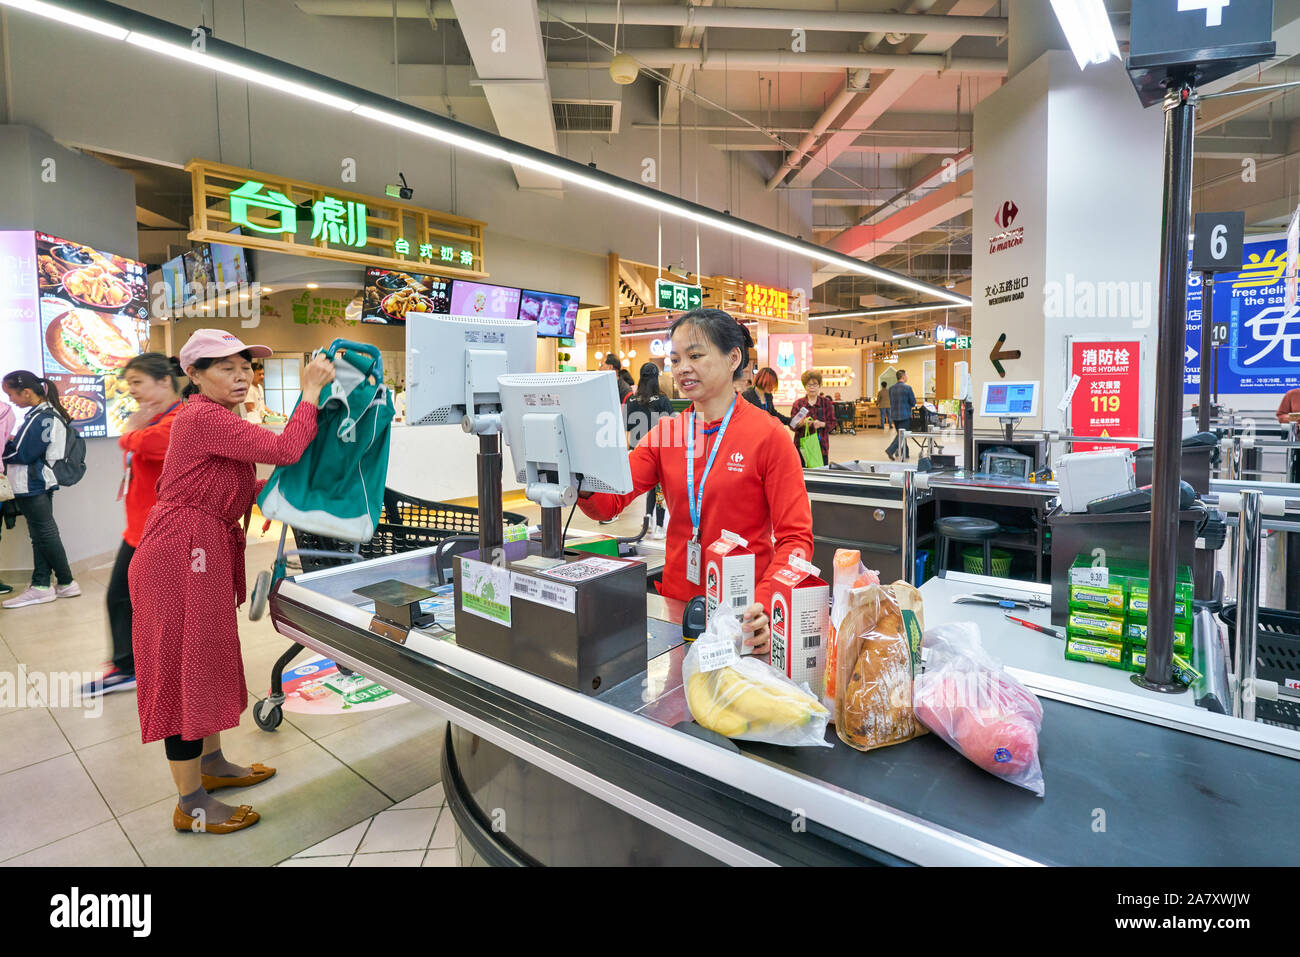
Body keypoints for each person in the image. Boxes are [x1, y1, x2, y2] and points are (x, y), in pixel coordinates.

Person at [130, 329, 335, 835]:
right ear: (194, 376)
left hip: (202, 547)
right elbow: (287, 447)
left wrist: (272, 494)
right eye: (225, 366)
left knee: (207, 660)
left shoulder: (222, 418)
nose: (242, 374)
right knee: (182, 672)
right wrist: (310, 393)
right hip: (180, 555)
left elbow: (233, 478)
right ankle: (190, 804)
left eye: (246, 365)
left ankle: (213, 766)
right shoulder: (203, 415)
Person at [578, 308, 813, 655]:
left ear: (733, 358)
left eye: (695, 355)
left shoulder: (768, 436)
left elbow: (796, 539)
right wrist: (578, 474)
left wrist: (765, 605)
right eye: (675, 360)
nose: (682, 367)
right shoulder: (667, 434)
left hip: (743, 614)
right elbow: (608, 501)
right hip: (677, 609)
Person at [84, 354, 184, 697]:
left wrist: (129, 433)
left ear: (165, 381)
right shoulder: (155, 417)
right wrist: (135, 430)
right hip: (140, 528)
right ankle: (132, 665)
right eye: (129, 384)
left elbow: (153, 445)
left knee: (125, 599)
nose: (132, 390)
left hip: (160, 531)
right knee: (128, 600)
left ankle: (131, 668)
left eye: (138, 382)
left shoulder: (179, 418)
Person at [1, 372, 79, 609]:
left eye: (11, 394)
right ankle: (42, 585)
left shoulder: (42, 417)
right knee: (41, 535)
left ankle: (66, 581)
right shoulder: (44, 414)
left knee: (44, 534)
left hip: (32, 482)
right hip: (37, 482)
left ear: (26, 392)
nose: (11, 400)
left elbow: (23, 453)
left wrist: (5, 448)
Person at [624, 362, 675, 539]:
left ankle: (647, 519)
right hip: (658, 450)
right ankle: (659, 525)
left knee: (648, 487)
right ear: (656, 379)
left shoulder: (631, 399)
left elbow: (627, 425)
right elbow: (670, 426)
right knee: (659, 488)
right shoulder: (662, 400)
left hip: (637, 451)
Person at [789, 370, 836, 467]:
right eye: (809, 385)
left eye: (815, 384)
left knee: (821, 476)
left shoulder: (826, 403)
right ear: (805, 386)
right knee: (802, 476)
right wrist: (802, 423)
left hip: (821, 447)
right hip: (802, 447)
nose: (812, 388)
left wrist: (822, 424)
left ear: (819, 386)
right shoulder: (798, 404)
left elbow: (832, 423)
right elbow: (792, 425)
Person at [886, 369, 916, 462]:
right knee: (902, 435)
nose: (907, 377)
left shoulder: (891, 388)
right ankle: (890, 450)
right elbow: (913, 402)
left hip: (894, 415)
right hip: (904, 415)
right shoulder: (907, 388)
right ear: (903, 377)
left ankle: (905, 453)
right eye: (906, 375)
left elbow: (891, 401)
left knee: (901, 434)